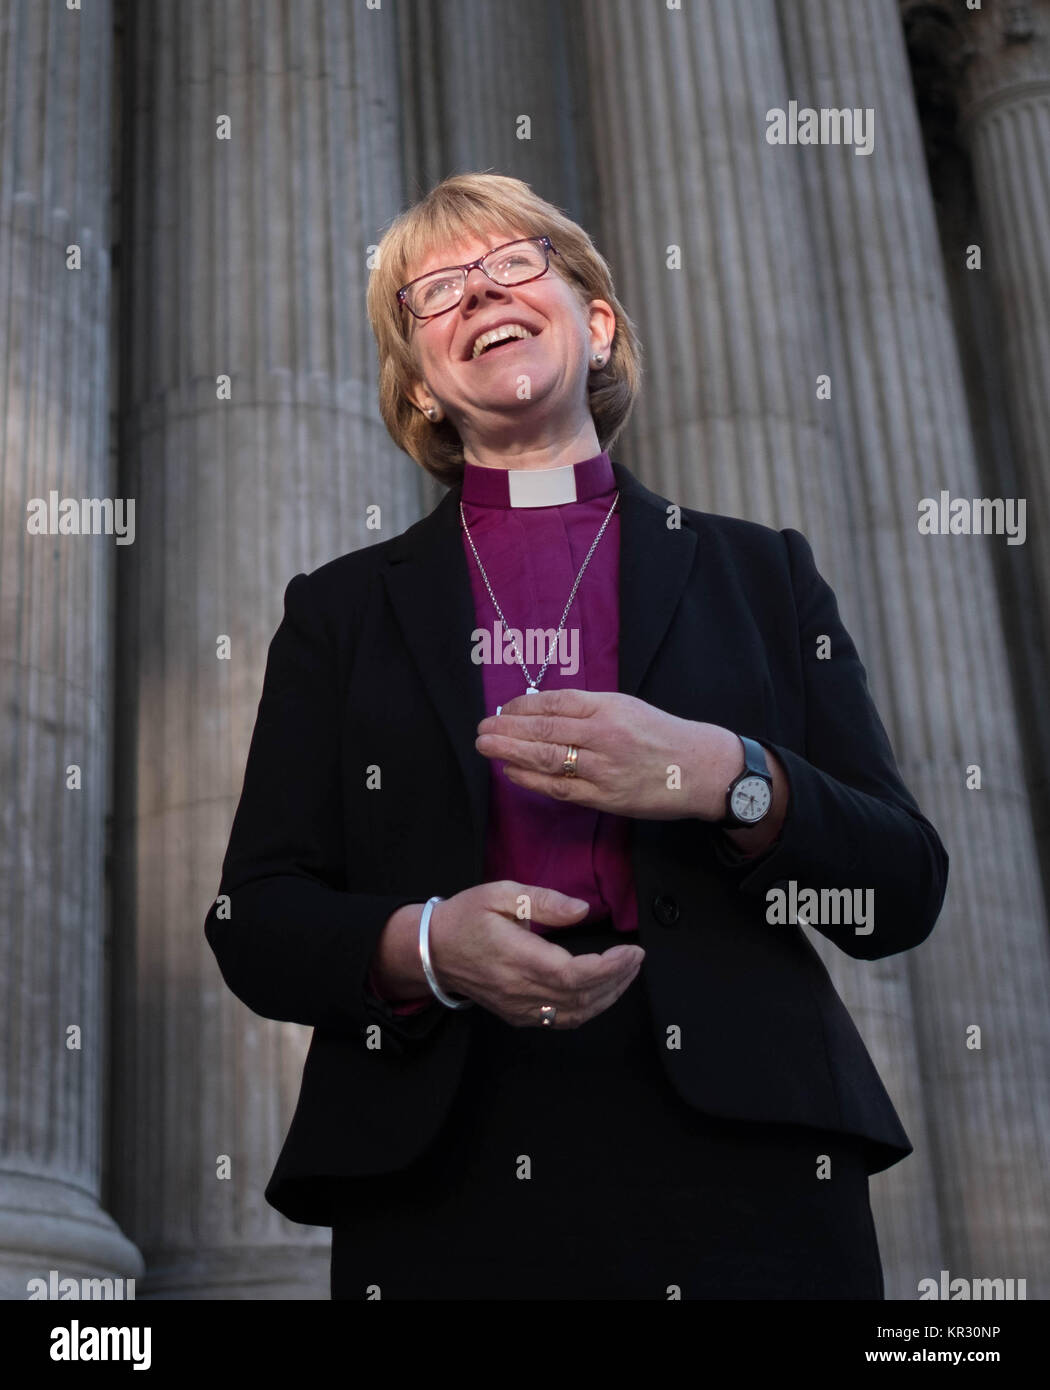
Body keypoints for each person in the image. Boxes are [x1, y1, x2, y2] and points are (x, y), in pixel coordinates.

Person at [203, 171, 949, 1301]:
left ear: (595, 323)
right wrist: (428, 944)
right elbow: (253, 918)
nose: (478, 294)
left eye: (514, 264)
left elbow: (903, 886)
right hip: (443, 1162)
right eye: (436, 290)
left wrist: (729, 776)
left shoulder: (761, 572)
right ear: (420, 388)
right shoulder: (340, 610)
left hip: (749, 1159)